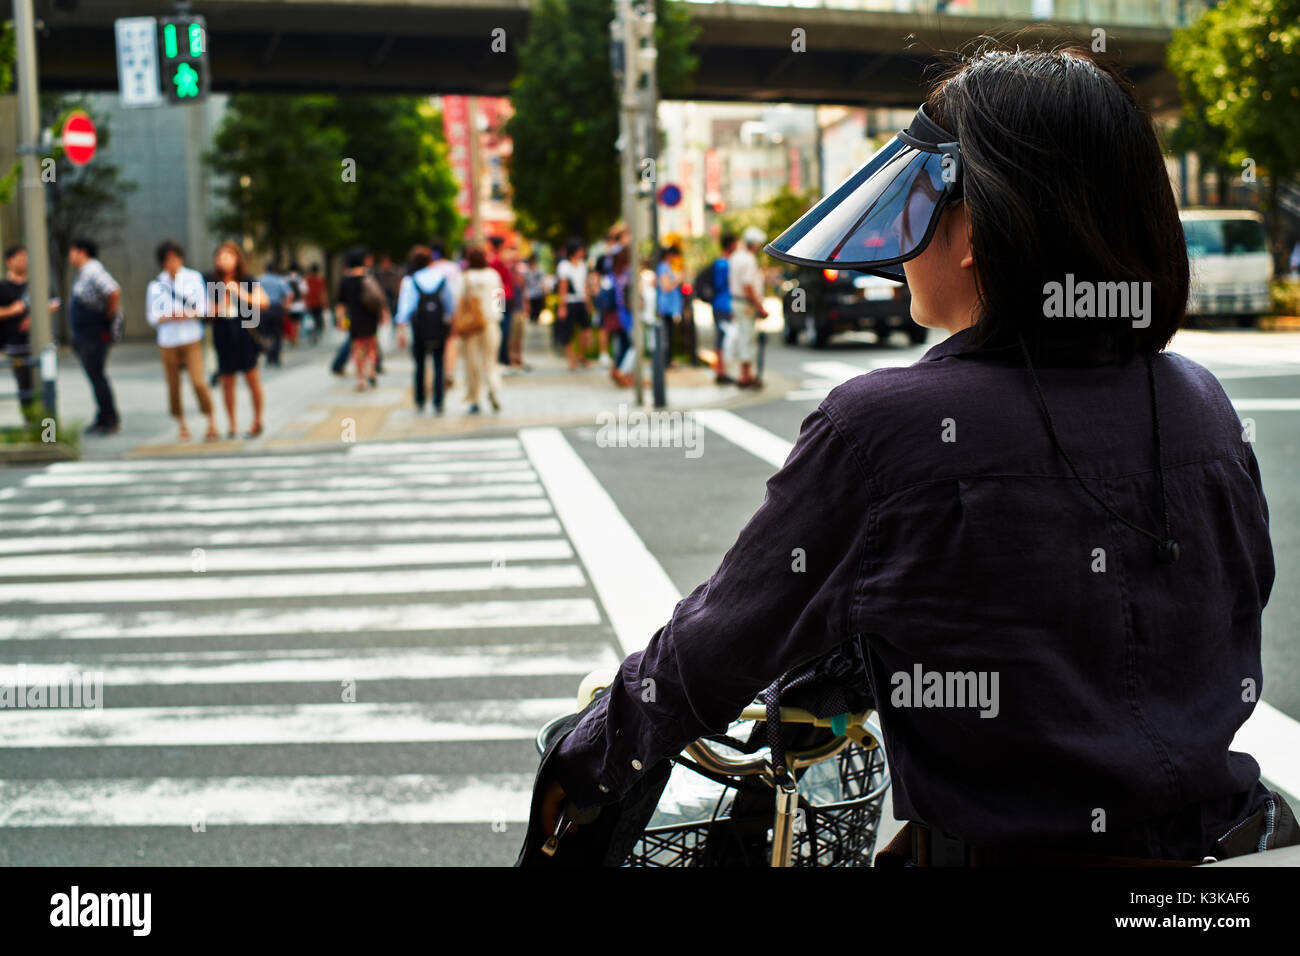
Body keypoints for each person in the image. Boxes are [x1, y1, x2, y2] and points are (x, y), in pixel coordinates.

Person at [529, 44, 1298, 867]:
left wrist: (576, 766)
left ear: (971, 229)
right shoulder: (1201, 404)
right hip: (1228, 849)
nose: (896, 242)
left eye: (915, 204)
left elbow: (705, 657)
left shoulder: (881, 428)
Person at [145, 239, 217, 441]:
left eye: (175, 258)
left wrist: (186, 313)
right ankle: (182, 424)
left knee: (198, 381)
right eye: (167, 260)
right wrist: (168, 316)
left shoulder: (193, 278)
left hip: (191, 336)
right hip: (168, 340)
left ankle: (211, 420)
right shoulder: (156, 286)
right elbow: (151, 317)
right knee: (173, 385)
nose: (172, 263)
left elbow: (204, 309)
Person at [209, 240, 269, 438]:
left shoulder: (247, 281)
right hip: (223, 333)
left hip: (245, 332)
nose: (223, 260)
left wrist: (239, 292)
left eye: (227, 256)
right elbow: (208, 313)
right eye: (220, 256)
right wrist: (222, 299)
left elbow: (263, 303)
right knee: (227, 380)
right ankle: (232, 423)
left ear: (237, 259)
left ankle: (257, 420)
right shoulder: (212, 283)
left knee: (252, 379)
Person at [66, 238, 122, 435]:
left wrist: (108, 316)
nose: (70, 256)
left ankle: (109, 418)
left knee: (97, 376)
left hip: (94, 333)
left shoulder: (93, 270)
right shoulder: (85, 272)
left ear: (82, 252)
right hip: (86, 334)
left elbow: (113, 291)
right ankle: (103, 416)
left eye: (72, 251)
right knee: (95, 376)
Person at [0, 245, 59, 422]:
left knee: (46, 389)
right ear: (9, 261)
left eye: (26, 257)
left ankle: (47, 432)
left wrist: (35, 318)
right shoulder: (3, 287)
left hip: (41, 346)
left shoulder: (37, 283)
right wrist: (12, 310)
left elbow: (54, 303)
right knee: (24, 389)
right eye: (19, 257)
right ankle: (31, 426)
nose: (24, 261)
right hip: (15, 347)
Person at [395, 245, 457, 414]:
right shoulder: (441, 278)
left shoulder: (410, 281)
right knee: (439, 363)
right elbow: (449, 304)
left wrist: (400, 330)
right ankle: (438, 401)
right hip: (438, 326)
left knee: (420, 364)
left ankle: (420, 399)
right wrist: (451, 320)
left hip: (419, 327)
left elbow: (404, 309)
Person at [335, 246, 388, 391]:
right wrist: (384, 314)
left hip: (355, 318)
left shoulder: (346, 280)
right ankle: (371, 370)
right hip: (371, 317)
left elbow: (341, 304)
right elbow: (380, 298)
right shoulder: (370, 275)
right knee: (371, 344)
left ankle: (361, 378)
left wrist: (339, 319)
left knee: (358, 347)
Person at [458, 245, 503, 413]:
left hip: (471, 325)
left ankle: (474, 398)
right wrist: (497, 316)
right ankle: (492, 387)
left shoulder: (465, 277)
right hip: (491, 322)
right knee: (490, 360)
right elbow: (500, 299)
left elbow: (459, 301)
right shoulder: (493, 275)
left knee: (472, 362)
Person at [727, 227, 766, 389]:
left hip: (737, 302)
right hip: (746, 303)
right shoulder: (748, 260)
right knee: (747, 338)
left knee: (743, 336)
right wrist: (760, 306)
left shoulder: (735, 256)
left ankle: (746, 374)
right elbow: (748, 285)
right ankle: (745, 376)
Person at [429, 240, 463, 391]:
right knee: (451, 341)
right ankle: (449, 372)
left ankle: (437, 374)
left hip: (432, 312)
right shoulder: (454, 267)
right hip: (451, 310)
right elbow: (458, 291)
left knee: (435, 344)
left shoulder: (430, 268)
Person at [555, 239, 589, 371]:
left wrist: (588, 302)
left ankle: (581, 355)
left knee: (585, 330)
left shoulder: (583, 265)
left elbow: (585, 284)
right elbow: (563, 285)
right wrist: (562, 306)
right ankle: (571, 358)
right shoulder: (564, 266)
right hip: (569, 301)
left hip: (580, 300)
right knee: (567, 332)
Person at [711, 233, 737, 385]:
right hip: (723, 304)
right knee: (722, 338)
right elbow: (722, 284)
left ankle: (722, 370)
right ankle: (721, 372)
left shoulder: (721, 262)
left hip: (720, 303)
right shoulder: (724, 263)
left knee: (722, 338)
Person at [256, 261, 292, 367]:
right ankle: (276, 357)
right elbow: (289, 294)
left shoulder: (260, 280)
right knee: (277, 334)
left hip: (263, 309)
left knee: (265, 334)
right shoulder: (279, 280)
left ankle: (268, 355)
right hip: (276, 309)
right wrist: (286, 305)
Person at [487, 236, 516, 367]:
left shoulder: (495, 258)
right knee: (502, 326)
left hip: (501, 295)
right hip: (500, 295)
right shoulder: (497, 259)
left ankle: (503, 356)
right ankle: (501, 356)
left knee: (503, 326)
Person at [304, 264, 327, 345]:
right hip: (318, 303)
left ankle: (311, 334)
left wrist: (305, 302)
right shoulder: (320, 280)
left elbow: (304, 292)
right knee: (317, 319)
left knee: (310, 319)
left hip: (310, 303)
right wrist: (324, 303)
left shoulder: (307, 279)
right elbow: (323, 292)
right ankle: (317, 333)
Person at [284, 263, 307, 347]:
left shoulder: (285, 279)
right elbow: (304, 291)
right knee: (297, 322)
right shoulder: (300, 279)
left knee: (290, 321)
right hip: (298, 304)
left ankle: (291, 338)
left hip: (289, 304)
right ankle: (296, 338)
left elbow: (284, 292)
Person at [524, 253, 546, 325]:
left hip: (538, 293)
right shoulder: (526, 271)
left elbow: (543, 282)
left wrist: (544, 291)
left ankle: (535, 321)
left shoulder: (539, 270)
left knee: (537, 310)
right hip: (530, 294)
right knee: (531, 311)